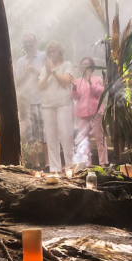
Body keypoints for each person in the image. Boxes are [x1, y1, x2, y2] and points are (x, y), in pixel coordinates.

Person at [38, 40, 74, 172]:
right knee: (51, 137)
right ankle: (55, 169)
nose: (52, 54)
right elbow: (40, 86)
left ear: (60, 52)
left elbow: (65, 81)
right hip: (47, 105)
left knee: (66, 135)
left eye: (54, 51)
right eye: (50, 52)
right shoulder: (44, 69)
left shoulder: (67, 65)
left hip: (63, 103)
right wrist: (47, 73)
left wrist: (53, 71)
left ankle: (70, 166)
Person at [15, 33, 48, 169]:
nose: (28, 44)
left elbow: (48, 75)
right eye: (25, 42)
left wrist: (33, 70)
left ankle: (48, 163)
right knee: (30, 134)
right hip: (26, 101)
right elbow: (17, 81)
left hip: (42, 99)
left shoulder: (43, 56)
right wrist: (26, 73)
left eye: (30, 42)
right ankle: (36, 164)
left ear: (35, 42)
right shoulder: (20, 61)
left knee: (44, 133)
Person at [71, 57, 108, 167]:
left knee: (99, 138)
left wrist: (91, 82)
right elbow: (75, 96)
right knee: (84, 140)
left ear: (92, 67)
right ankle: (87, 164)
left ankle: (103, 164)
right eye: (83, 64)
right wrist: (73, 87)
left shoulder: (98, 79)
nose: (85, 66)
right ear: (81, 68)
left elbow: (99, 93)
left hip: (96, 113)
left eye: (87, 64)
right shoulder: (78, 81)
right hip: (82, 114)